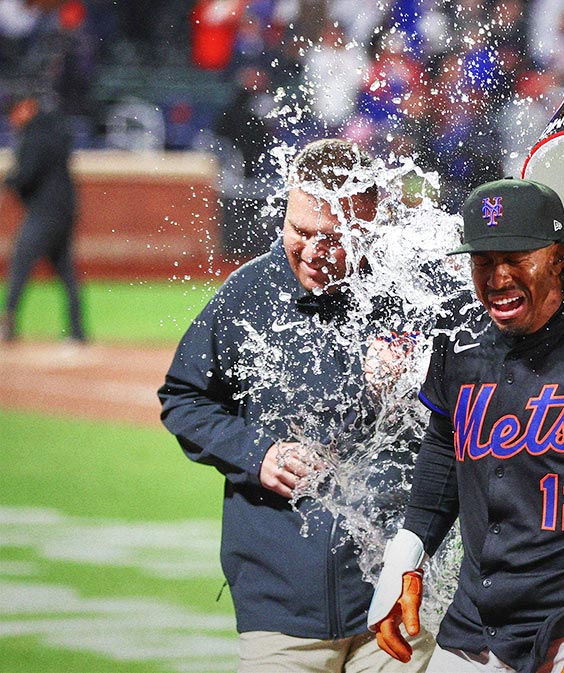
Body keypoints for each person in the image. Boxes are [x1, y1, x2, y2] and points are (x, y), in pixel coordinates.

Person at [367, 178, 564, 673]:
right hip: (475, 626)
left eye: (516, 258)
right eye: (483, 261)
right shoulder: (457, 332)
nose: (497, 279)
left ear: (558, 257)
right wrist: (406, 555)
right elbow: (443, 445)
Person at [158, 138, 433, 673]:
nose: (310, 252)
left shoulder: (413, 295)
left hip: (399, 601)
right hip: (280, 608)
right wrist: (256, 453)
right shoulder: (248, 294)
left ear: (368, 223)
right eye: (298, 230)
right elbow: (183, 399)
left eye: (331, 238)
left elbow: (474, 412)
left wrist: (415, 383)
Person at [1, 90, 83, 344]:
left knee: (20, 262)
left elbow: (27, 174)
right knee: (66, 271)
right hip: (64, 211)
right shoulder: (55, 129)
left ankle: (8, 324)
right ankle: (78, 331)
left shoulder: (35, 134)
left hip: (44, 212)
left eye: (15, 112)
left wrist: (10, 182)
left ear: (27, 107)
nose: (12, 119)